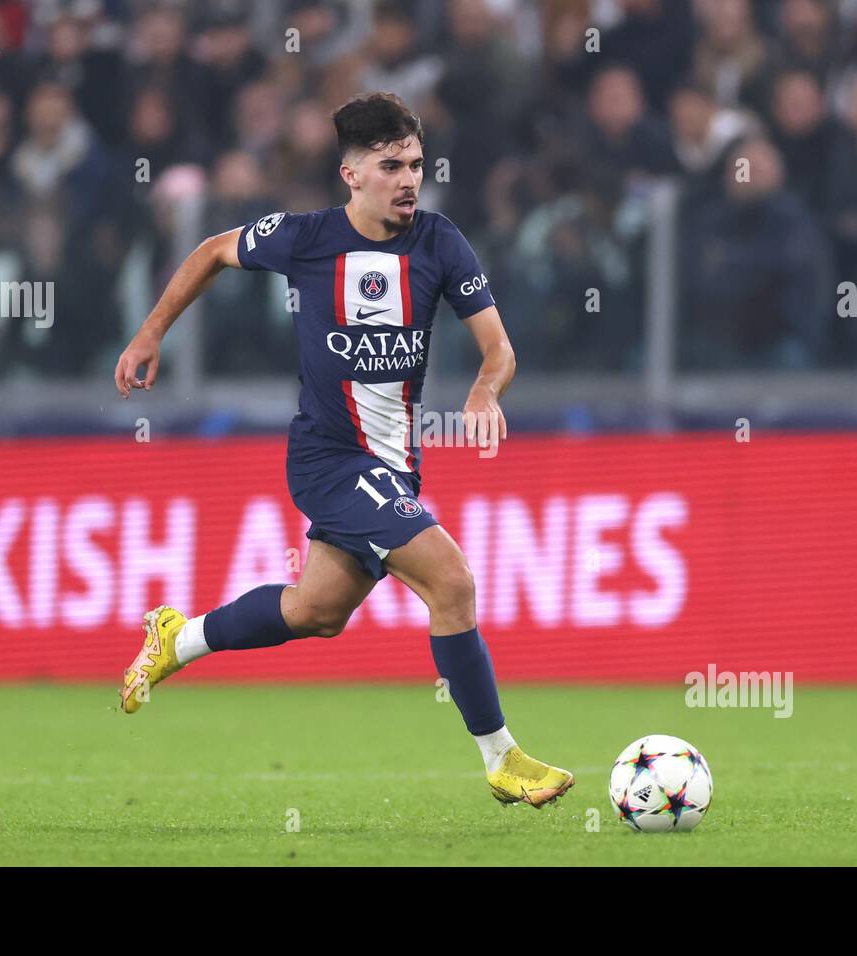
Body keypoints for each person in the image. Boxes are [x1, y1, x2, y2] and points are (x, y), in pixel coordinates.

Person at [112, 92, 573, 809]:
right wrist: (151, 333)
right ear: (351, 174)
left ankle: (181, 636)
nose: (409, 179)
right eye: (391, 165)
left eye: (416, 163)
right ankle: (502, 758)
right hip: (329, 459)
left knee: (315, 611)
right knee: (450, 582)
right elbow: (210, 251)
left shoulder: (441, 242)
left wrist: (485, 391)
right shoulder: (304, 237)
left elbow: (499, 348)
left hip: (395, 466)